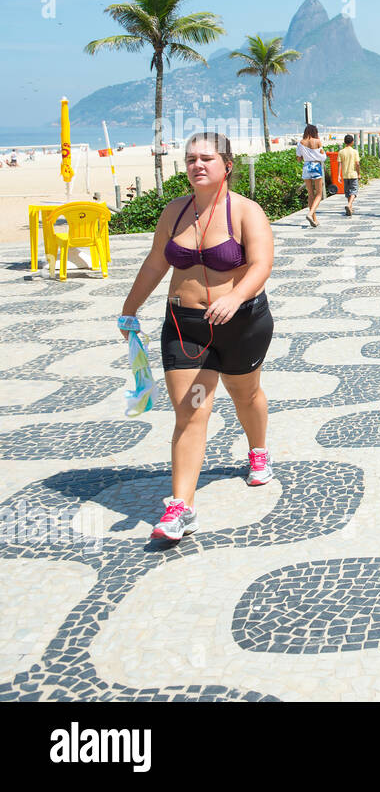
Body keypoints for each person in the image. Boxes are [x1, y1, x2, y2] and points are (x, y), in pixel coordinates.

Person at [118, 131, 275, 543]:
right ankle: (180, 507)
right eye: (190, 159)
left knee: (245, 395)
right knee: (192, 410)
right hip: (186, 329)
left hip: (240, 324)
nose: (197, 165)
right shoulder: (174, 212)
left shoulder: (246, 211)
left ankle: (257, 450)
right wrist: (129, 307)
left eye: (206, 158)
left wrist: (237, 296)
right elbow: (156, 264)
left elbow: (261, 264)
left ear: (227, 165)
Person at [296, 124, 326, 227]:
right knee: (319, 194)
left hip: (306, 167)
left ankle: (314, 219)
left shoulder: (301, 142)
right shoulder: (317, 141)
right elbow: (323, 156)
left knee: (310, 194)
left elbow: (299, 159)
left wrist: (305, 155)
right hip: (315, 166)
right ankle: (310, 214)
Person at [338, 134, 360, 216]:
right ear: (352, 142)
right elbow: (357, 164)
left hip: (345, 175)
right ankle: (349, 205)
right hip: (353, 174)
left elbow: (339, 164)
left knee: (347, 192)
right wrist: (359, 173)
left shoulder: (341, 152)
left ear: (344, 142)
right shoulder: (355, 152)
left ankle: (350, 208)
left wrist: (338, 175)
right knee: (354, 191)